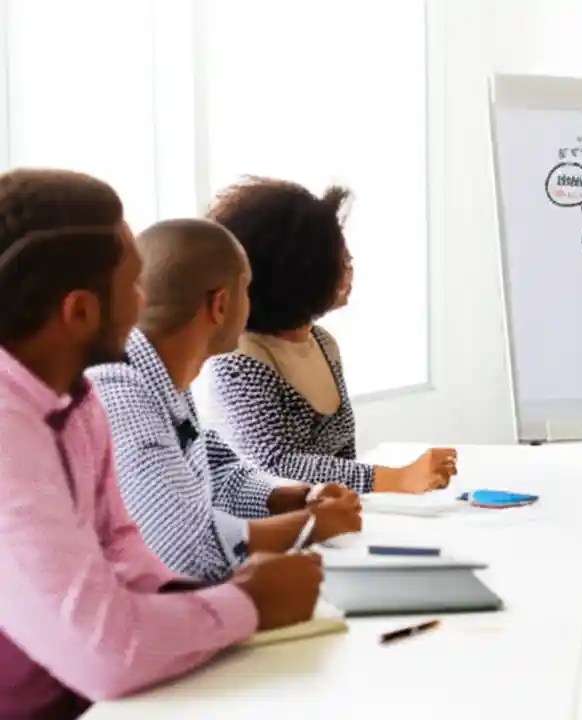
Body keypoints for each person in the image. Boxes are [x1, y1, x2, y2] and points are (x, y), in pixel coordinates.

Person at [0, 169, 319, 719]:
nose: (148, 300)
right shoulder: (9, 430)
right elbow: (105, 653)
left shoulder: (77, 400)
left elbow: (126, 552)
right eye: (134, 284)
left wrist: (211, 601)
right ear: (80, 311)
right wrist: (250, 603)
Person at [88, 219, 363, 583]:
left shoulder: (165, 376)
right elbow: (188, 553)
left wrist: (290, 498)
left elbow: (213, 470)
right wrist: (310, 525)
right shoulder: (124, 401)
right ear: (220, 305)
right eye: (247, 289)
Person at [204, 178, 455, 493]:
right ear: (293, 272)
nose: (349, 268)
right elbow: (272, 465)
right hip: (264, 534)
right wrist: (396, 478)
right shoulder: (239, 358)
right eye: (339, 259)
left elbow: (344, 452)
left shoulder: (323, 343)